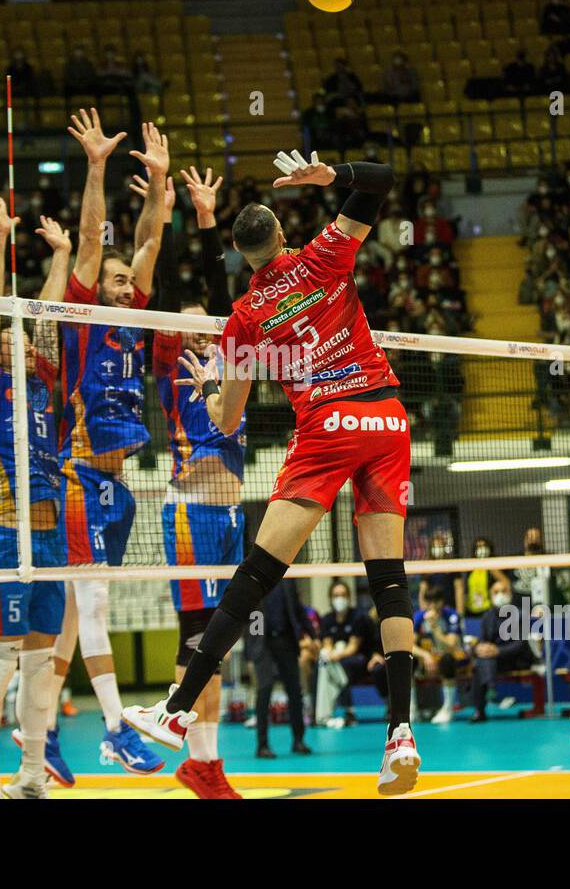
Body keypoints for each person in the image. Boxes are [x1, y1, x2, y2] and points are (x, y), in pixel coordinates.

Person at [123, 148, 423, 796]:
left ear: (240, 255)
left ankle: (175, 712)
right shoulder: (324, 253)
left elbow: (227, 421)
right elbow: (381, 177)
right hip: (388, 415)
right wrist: (330, 177)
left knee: (256, 576)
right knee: (390, 584)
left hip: (329, 426)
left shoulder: (245, 319)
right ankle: (400, 733)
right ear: (282, 236)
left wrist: (208, 387)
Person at [48, 110, 167, 777]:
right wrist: (96, 166)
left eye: (128, 284)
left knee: (73, 619)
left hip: (117, 491)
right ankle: (118, 730)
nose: (124, 288)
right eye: (115, 283)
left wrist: (159, 183)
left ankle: (44, 734)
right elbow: (95, 242)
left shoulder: (133, 325)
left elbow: (146, 245)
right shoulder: (90, 323)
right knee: (91, 605)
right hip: (79, 481)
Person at [0, 194, 71, 800]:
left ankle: (31, 776)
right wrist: (1, 237)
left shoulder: (45, 384)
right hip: (9, 538)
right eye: (12, 335)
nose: (22, 340)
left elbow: (47, 314)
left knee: (40, 668)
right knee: (1, 662)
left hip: (51, 543)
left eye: (26, 337)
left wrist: (60, 255)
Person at [148, 165, 244, 798]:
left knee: (220, 646)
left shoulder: (230, 357)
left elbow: (225, 296)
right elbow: (159, 289)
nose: (200, 330)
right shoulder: (166, 364)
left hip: (232, 517)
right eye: (187, 324)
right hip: (193, 516)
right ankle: (197, 759)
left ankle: (204, 760)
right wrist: (165, 204)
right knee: (200, 642)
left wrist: (208, 216)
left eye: (205, 325)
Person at [250, 579, 316, 758]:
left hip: (286, 641)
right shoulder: (254, 579)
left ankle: (298, 741)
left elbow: (298, 609)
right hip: (263, 644)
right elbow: (246, 612)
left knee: (295, 691)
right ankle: (262, 745)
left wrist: (312, 634)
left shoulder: (287, 579)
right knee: (264, 691)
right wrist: (252, 647)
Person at [470, 578, 534, 722]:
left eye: (503, 591)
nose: (500, 595)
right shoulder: (487, 616)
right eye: (496, 592)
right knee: (480, 662)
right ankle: (481, 707)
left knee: (483, 663)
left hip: (516, 659)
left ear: (510, 594)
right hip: (494, 662)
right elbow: (482, 640)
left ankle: (489, 690)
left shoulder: (520, 614)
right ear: (491, 596)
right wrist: (480, 648)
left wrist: (497, 651)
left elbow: (520, 644)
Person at [316, 579, 370, 726]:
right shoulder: (327, 619)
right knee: (323, 664)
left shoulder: (357, 617)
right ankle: (337, 712)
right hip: (334, 660)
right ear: (330, 598)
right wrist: (329, 654)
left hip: (356, 660)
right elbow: (327, 644)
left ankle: (326, 714)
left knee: (334, 667)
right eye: (336, 595)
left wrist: (335, 655)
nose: (339, 598)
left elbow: (353, 647)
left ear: (348, 597)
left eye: (343, 594)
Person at [411, 584, 466, 723]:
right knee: (407, 661)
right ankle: (412, 710)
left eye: (436, 601)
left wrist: (435, 627)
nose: (433, 605)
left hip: (451, 657)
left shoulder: (452, 616)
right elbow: (409, 645)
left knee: (447, 660)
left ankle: (448, 709)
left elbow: (451, 645)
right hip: (428, 659)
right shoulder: (419, 617)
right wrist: (426, 655)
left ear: (442, 601)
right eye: (429, 602)